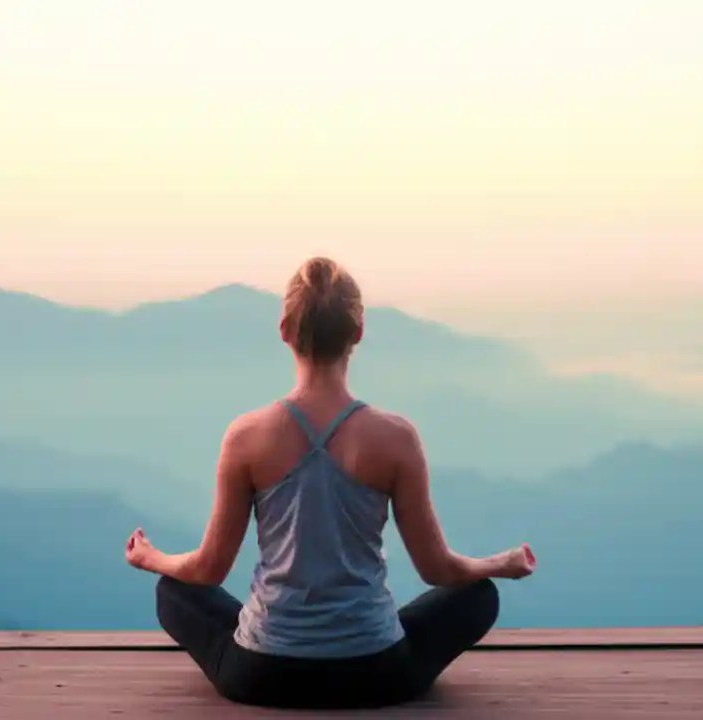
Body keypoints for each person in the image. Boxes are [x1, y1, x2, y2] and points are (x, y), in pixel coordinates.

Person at [124, 256, 536, 709]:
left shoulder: (246, 437)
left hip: (263, 674)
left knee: (174, 590)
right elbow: (437, 569)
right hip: (377, 673)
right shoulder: (396, 438)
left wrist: (151, 558)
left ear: (284, 330)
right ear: (358, 332)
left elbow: (208, 569)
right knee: (478, 595)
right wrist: (498, 563)